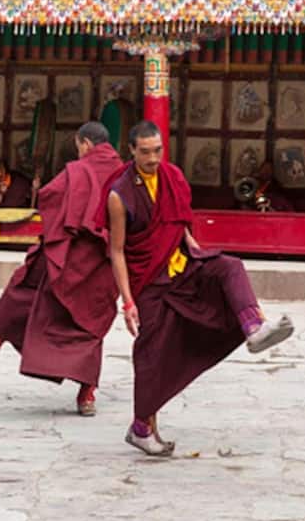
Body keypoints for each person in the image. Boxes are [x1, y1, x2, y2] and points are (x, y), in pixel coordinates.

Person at [104, 121, 295, 456]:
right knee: (153, 354)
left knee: (228, 266)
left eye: (158, 150)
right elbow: (117, 251)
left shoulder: (172, 178)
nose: (152, 158)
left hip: (182, 265)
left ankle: (254, 327)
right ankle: (142, 428)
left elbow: (179, 225)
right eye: (145, 152)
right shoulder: (119, 195)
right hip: (147, 280)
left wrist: (198, 254)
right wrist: (128, 302)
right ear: (131, 151)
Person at [0, 122, 124, 415]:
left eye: (79, 147)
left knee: (24, 286)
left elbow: (52, 195)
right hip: (104, 263)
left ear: (86, 144)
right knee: (92, 324)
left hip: (69, 254)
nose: (79, 152)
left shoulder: (80, 170)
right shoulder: (124, 172)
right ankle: (87, 396)